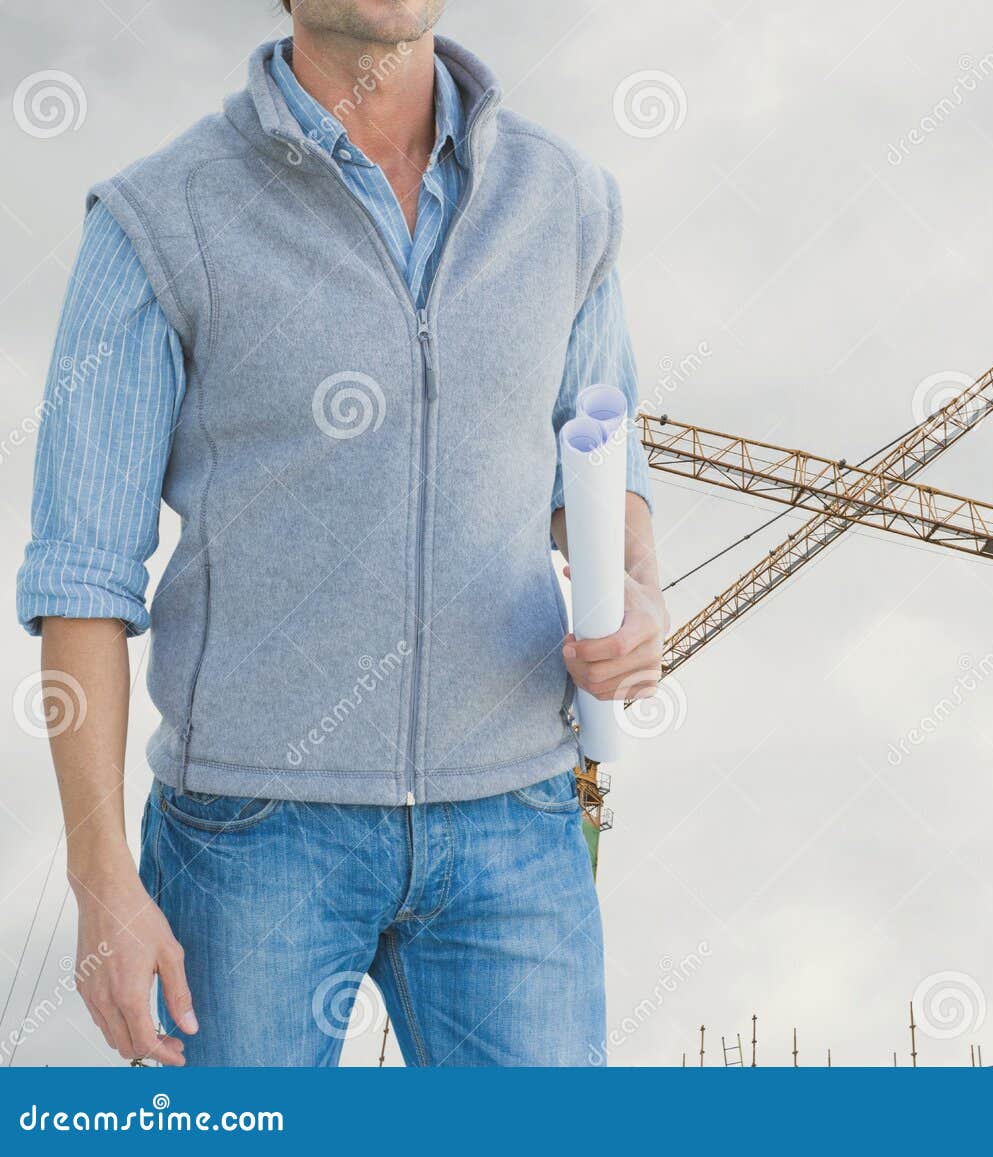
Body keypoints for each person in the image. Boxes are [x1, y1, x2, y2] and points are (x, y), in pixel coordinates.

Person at [17, 0, 666, 1066]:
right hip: (249, 838)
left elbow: (597, 458)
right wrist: (100, 882)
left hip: (517, 823)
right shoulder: (159, 219)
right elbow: (83, 574)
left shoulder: (566, 200)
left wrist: (638, 587)